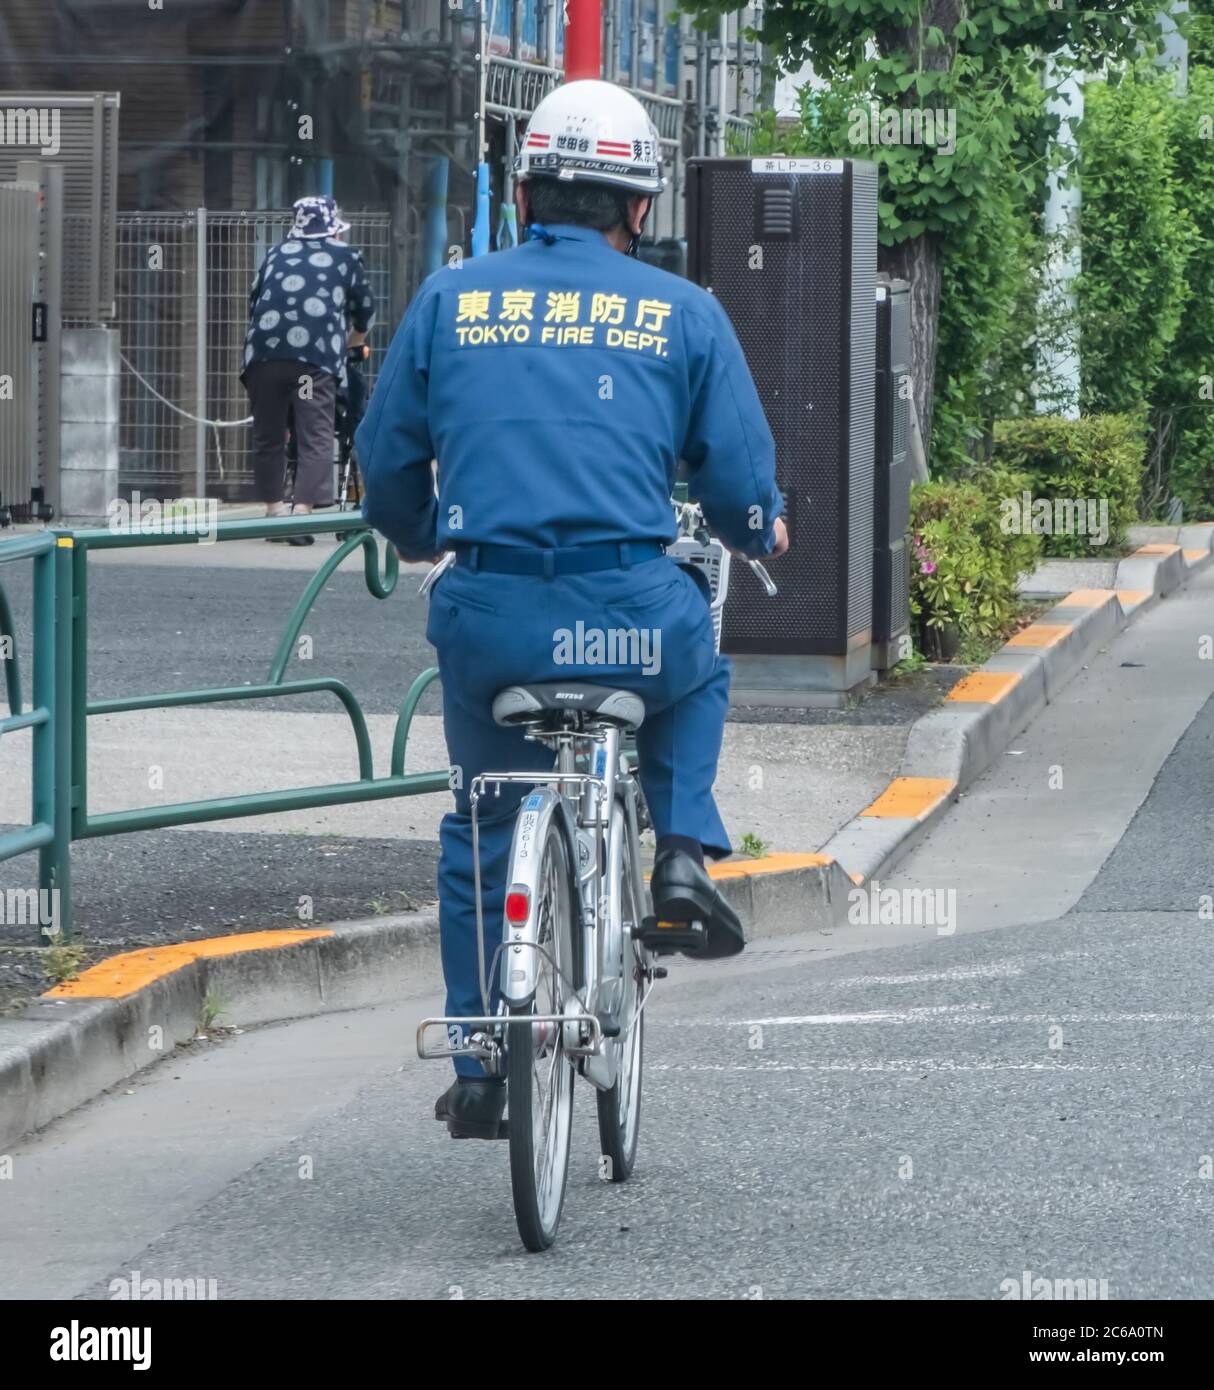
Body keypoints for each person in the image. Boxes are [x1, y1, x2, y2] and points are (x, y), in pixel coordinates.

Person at [358, 80, 787, 1139]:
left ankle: (478, 1062)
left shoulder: (451, 299)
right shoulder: (682, 312)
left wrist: (424, 534)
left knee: (483, 816)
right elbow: (738, 485)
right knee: (697, 666)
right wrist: (756, 525)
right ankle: (679, 853)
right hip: (631, 611)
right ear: (639, 206)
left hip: (489, 615)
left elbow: (385, 469)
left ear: (523, 192)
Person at [241, 195, 375, 545]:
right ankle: (300, 515)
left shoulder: (276, 254)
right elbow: (364, 309)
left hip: (264, 358)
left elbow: (254, 302)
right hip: (310, 364)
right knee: (315, 433)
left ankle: (274, 513)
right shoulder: (345, 256)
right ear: (332, 230)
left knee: (269, 435)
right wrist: (352, 341)